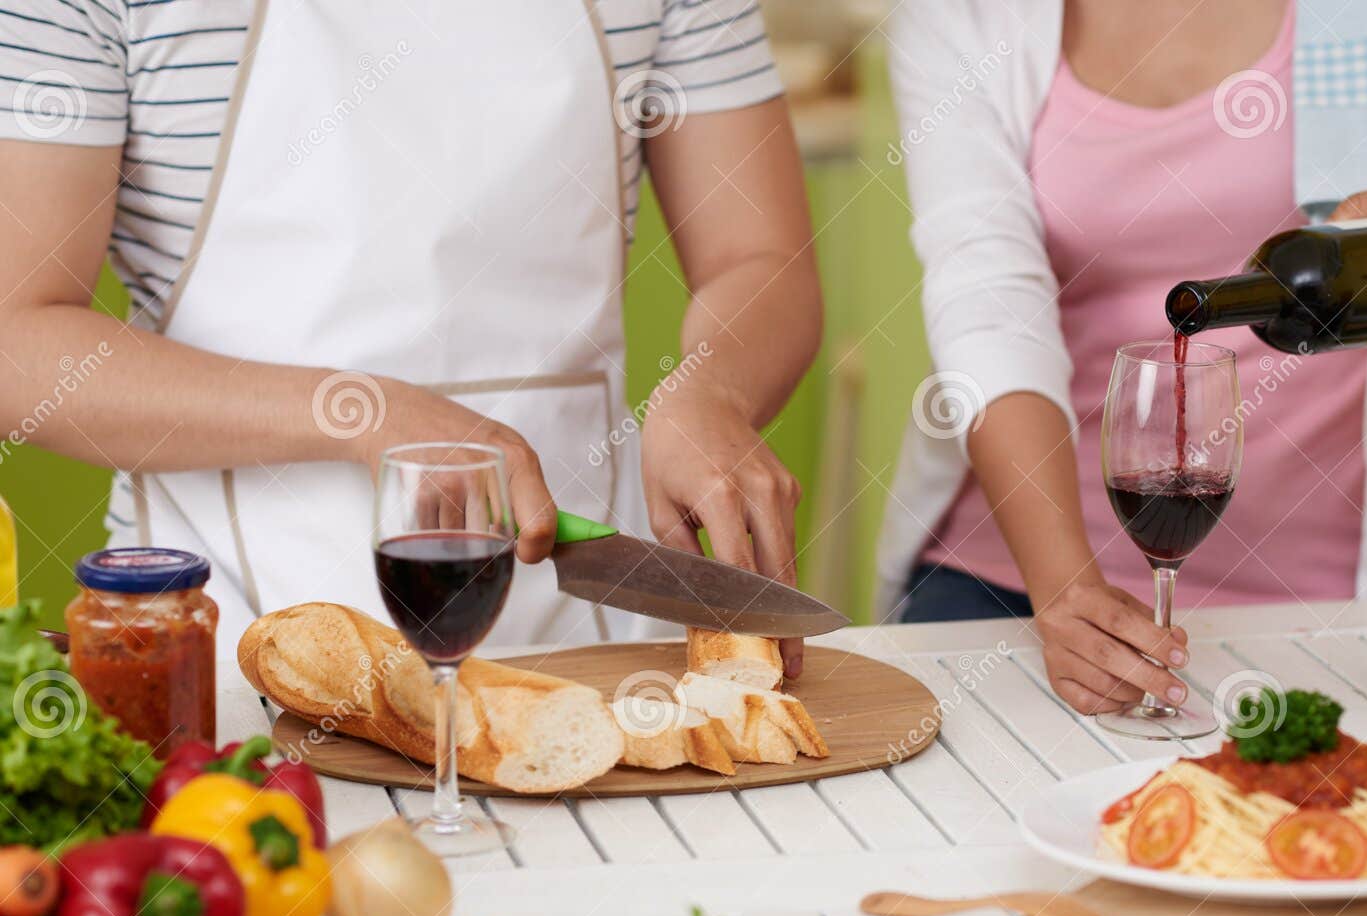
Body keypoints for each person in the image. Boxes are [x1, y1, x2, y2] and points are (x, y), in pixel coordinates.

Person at [0, 0, 820, 671]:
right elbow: (16, 337)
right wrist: (365, 415)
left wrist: (712, 389)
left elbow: (761, 256)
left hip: (586, 661)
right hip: (227, 660)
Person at [879, 0, 1367, 714]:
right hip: (1015, 584)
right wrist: (1066, 592)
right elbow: (989, 310)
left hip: (1342, 608)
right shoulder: (957, 19)